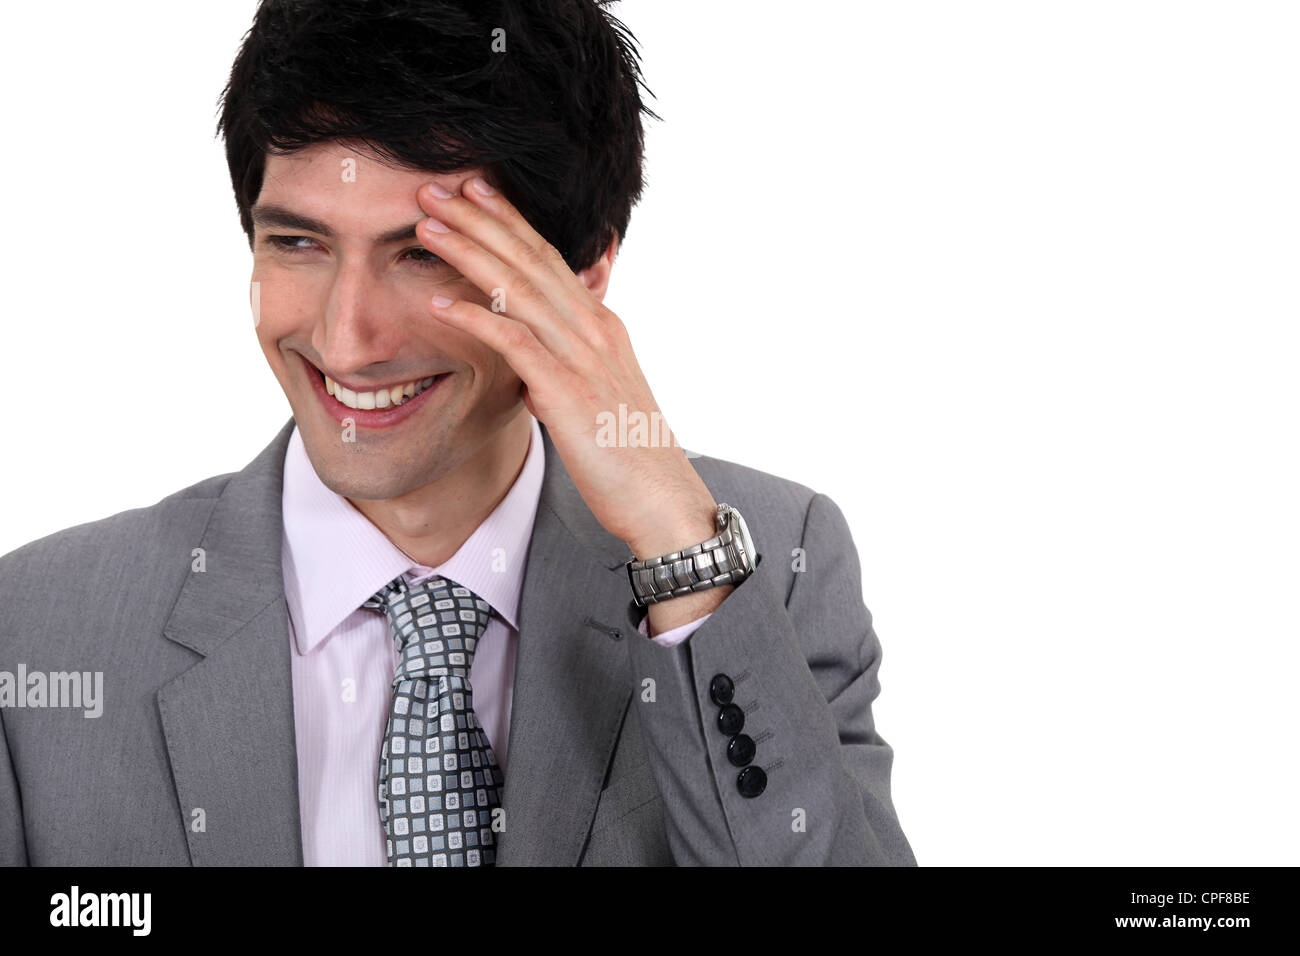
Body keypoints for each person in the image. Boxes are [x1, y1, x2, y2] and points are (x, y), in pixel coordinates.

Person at [0, 0, 915, 866]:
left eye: (425, 254)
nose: (345, 339)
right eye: (298, 244)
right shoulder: (40, 626)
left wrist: (677, 546)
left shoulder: (768, 570)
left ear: (586, 268)